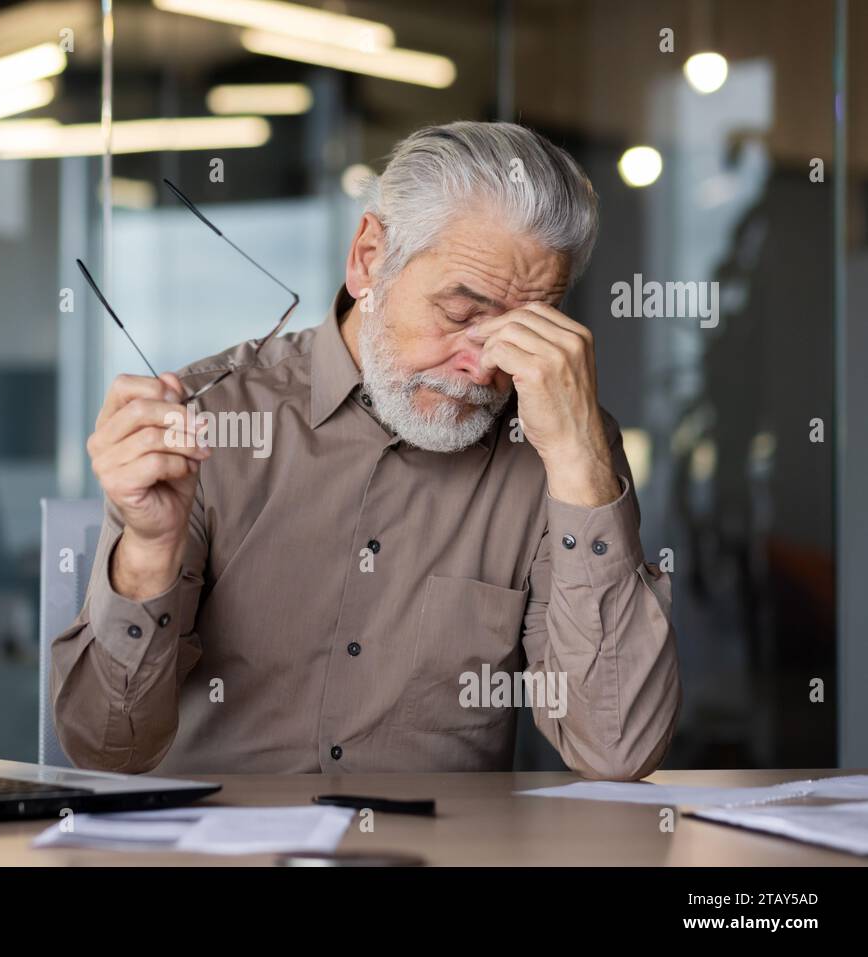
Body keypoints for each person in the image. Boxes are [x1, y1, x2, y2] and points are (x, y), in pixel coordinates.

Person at [52, 121, 679, 780]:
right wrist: (148, 553)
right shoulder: (212, 421)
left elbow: (618, 749)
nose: (485, 364)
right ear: (369, 257)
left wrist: (580, 461)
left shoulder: (560, 444)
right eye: (463, 313)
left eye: (527, 326)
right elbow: (104, 748)